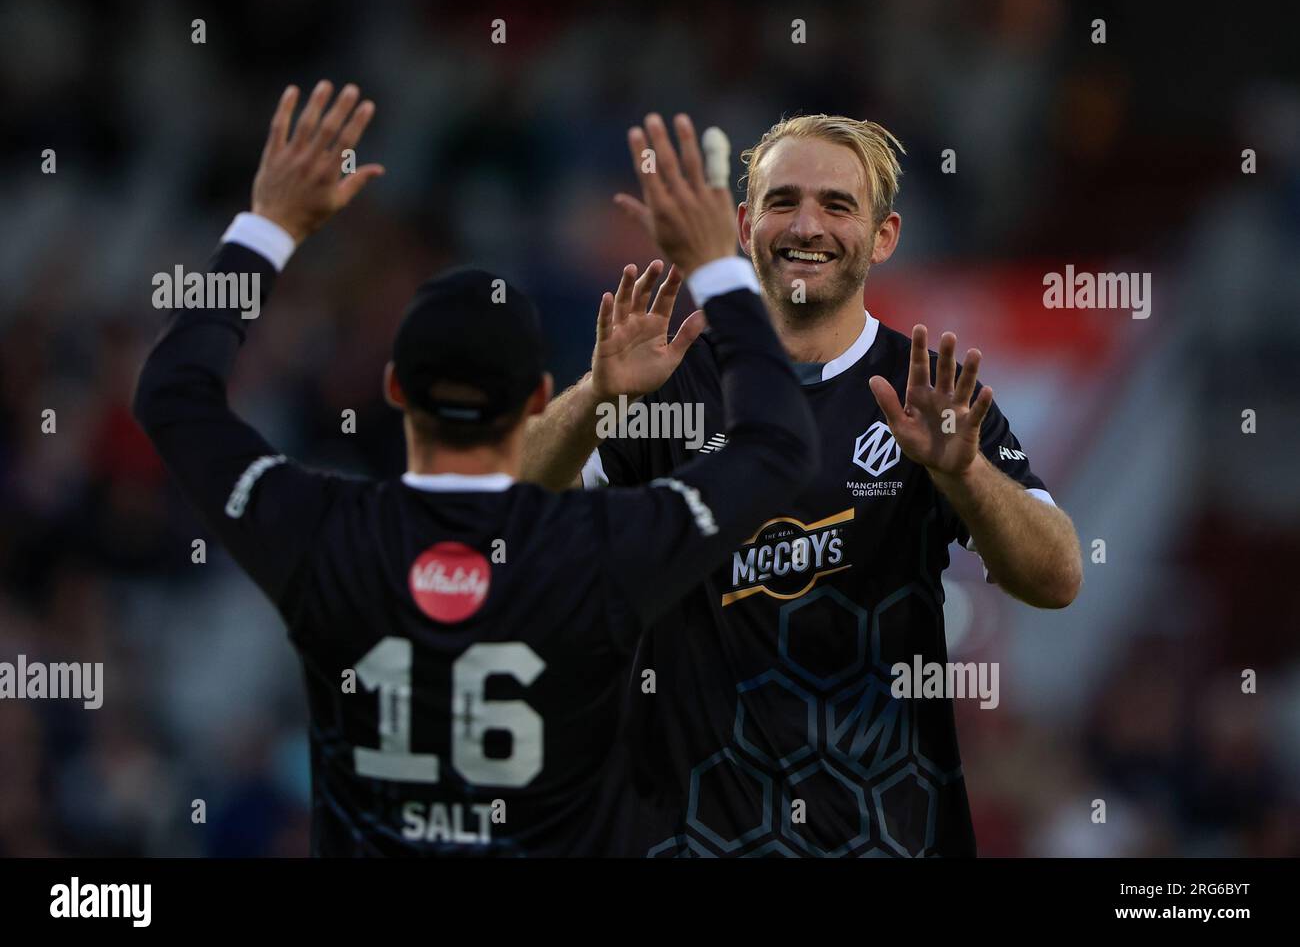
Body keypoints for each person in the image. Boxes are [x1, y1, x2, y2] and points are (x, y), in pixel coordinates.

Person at [133, 81, 818, 855]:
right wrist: (714, 266)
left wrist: (269, 228)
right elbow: (779, 443)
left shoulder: (320, 531)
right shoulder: (600, 547)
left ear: (395, 390)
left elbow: (171, 393)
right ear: (535, 397)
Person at [521, 112, 1084, 857]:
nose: (807, 225)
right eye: (784, 202)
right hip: (689, 839)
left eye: (837, 205)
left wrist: (966, 472)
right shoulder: (669, 379)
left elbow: (1058, 577)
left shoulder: (926, 395)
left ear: (883, 236)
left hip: (889, 836)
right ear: (748, 224)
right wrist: (598, 396)